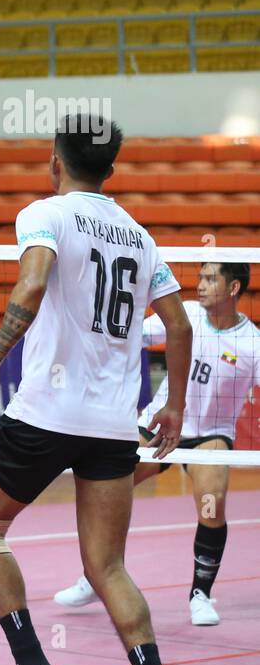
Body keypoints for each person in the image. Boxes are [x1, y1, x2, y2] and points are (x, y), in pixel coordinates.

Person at [0, 115, 191, 665]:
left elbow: (32, 284)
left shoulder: (46, 213)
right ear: (111, 169)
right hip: (112, 424)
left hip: (45, 411)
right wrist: (175, 406)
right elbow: (181, 327)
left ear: (54, 161)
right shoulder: (140, 236)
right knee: (108, 566)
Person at [54, 261, 256, 626]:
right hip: (160, 423)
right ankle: (96, 576)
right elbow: (132, 336)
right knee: (106, 488)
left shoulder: (252, 343)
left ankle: (201, 594)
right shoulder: (187, 314)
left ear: (234, 288)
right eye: (200, 278)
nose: (201, 285)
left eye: (211, 279)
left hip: (209, 434)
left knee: (212, 504)